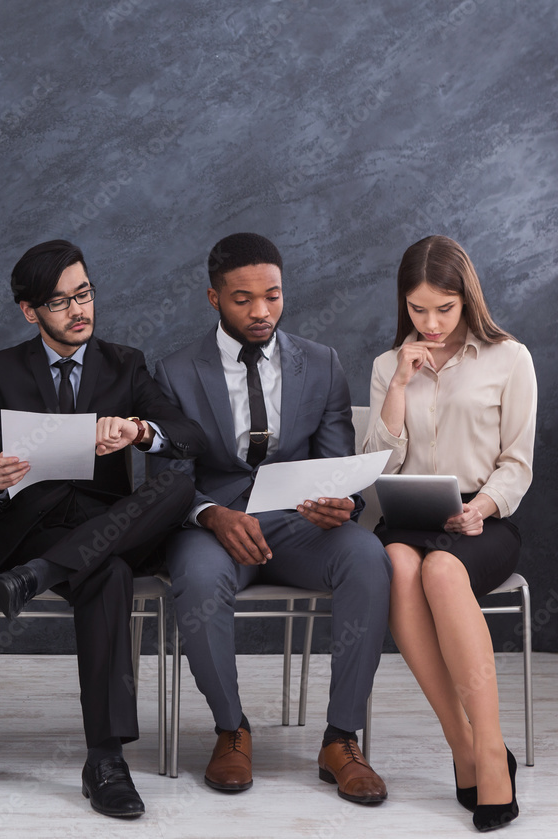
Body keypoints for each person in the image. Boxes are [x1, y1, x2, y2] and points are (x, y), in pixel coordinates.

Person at [154, 232, 392, 804]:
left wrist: (343, 502)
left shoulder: (322, 363)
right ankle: (231, 730)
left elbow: (336, 465)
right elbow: (166, 482)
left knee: (367, 557)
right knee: (199, 578)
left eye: (273, 296)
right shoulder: (175, 372)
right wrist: (211, 515)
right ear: (214, 298)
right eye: (243, 299)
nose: (261, 311)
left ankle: (341, 738)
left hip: (298, 523)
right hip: (214, 527)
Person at [0, 239, 206, 819]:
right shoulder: (1, 369)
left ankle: (38, 578)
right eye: (59, 302)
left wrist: (138, 431)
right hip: (36, 525)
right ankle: (105, 761)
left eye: (83, 294)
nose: (78, 310)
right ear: (30, 312)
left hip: (112, 521)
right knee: (108, 573)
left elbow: (188, 436)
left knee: (177, 484)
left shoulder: (126, 363)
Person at [363, 235, 535, 831]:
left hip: (483, 519)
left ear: (468, 300)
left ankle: (488, 749)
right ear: (403, 304)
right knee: (398, 564)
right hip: (407, 516)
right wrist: (397, 387)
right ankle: (460, 744)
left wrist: (482, 507)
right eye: (418, 309)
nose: (431, 323)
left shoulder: (510, 358)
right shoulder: (388, 366)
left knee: (440, 568)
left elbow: (517, 464)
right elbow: (378, 468)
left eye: (445, 308)